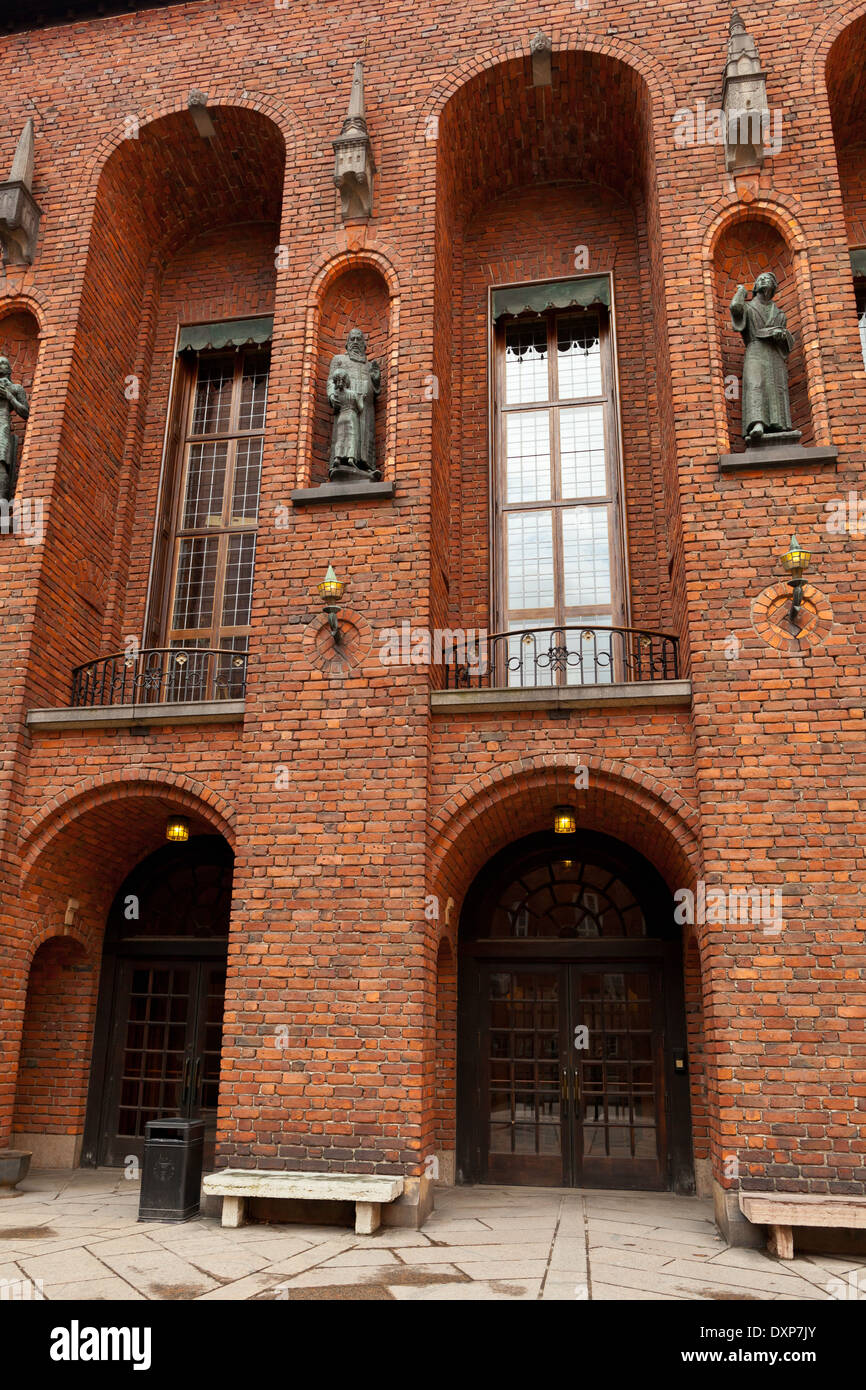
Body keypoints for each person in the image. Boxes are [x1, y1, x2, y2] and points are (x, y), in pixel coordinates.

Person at [730, 271, 794, 444]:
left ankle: (780, 424)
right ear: (756, 286)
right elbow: (735, 308)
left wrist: (781, 335)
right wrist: (741, 292)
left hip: (774, 353)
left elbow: (787, 342)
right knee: (755, 384)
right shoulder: (749, 307)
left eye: (770, 280)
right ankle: (757, 423)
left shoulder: (780, 314)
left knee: (777, 387)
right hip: (755, 350)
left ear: (774, 288)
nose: (765, 281)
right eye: (761, 279)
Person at [0, 355, 29, 502]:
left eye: (3, 363)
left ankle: (1, 498)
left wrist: (9, 396)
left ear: (10, 369)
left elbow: (25, 412)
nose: (0, 365)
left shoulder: (16, 388)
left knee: (1, 460)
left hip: (2, 423)